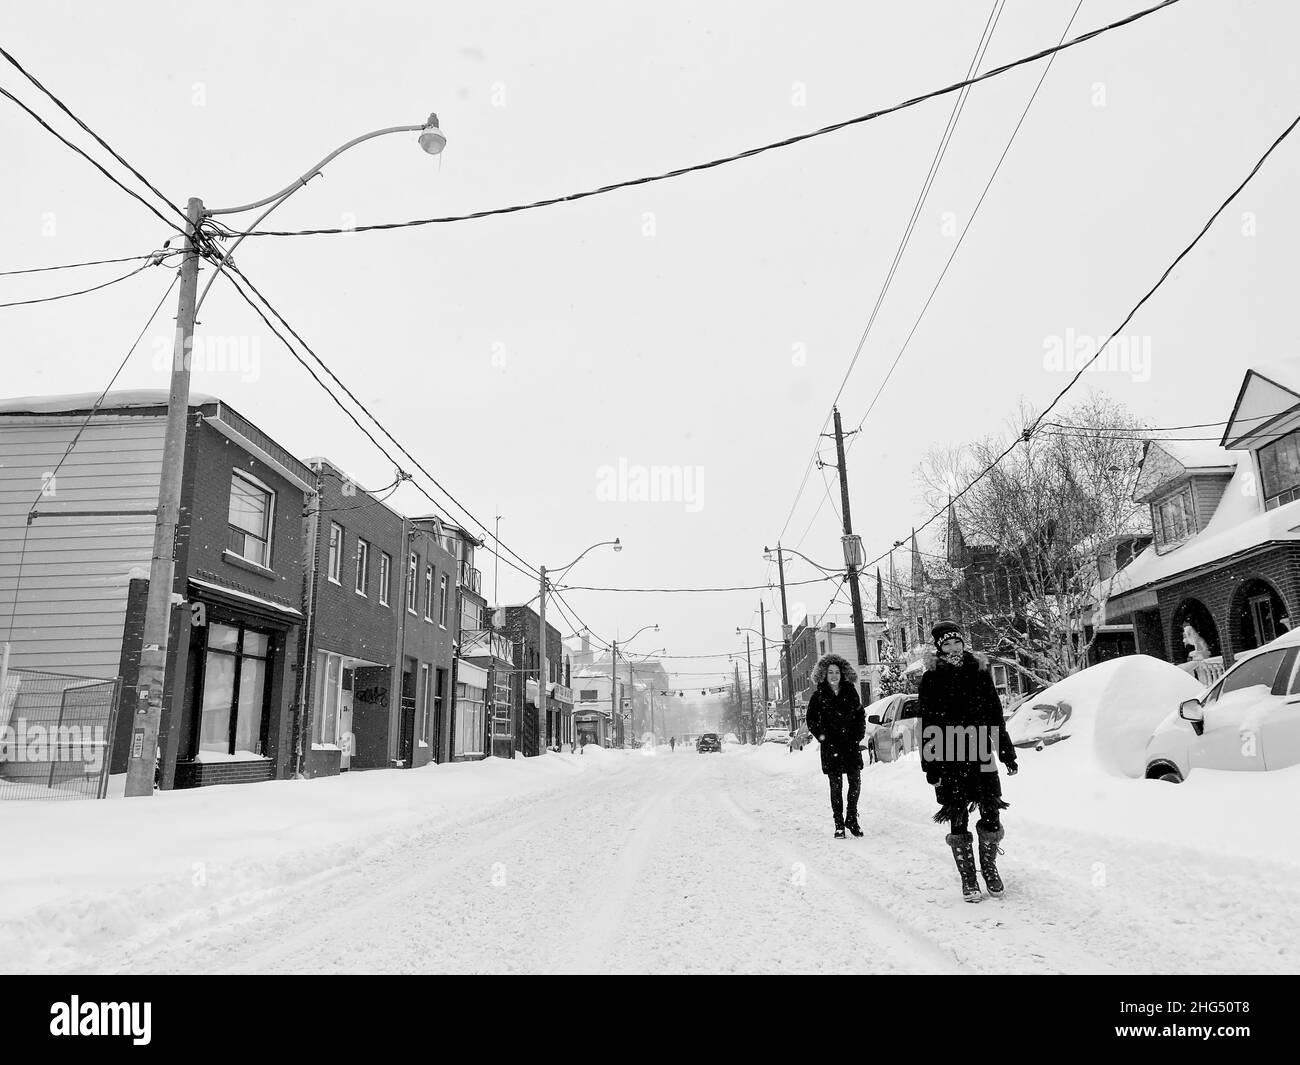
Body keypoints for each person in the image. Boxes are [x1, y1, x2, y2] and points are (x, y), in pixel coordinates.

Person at [917, 621, 1018, 903]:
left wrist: (1006, 752)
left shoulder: (980, 672)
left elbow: (994, 716)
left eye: (956, 642)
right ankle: (968, 877)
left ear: (963, 643)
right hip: (949, 752)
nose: (952, 648)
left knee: (991, 811)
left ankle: (989, 867)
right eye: (946, 644)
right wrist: (931, 765)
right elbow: (928, 724)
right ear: (938, 647)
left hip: (979, 749)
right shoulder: (931, 678)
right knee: (958, 814)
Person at [805, 652, 865, 839]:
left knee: (855, 783)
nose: (834, 676)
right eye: (830, 672)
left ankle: (852, 818)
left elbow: (859, 715)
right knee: (836, 786)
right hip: (831, 748)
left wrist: (857, 736)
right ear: (824, 674)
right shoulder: (818, 696)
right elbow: (812, 720)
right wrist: (823, 737)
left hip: (850, 746)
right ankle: (839, 824)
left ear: (842, 674)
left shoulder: (851, 692)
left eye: (837, 672)